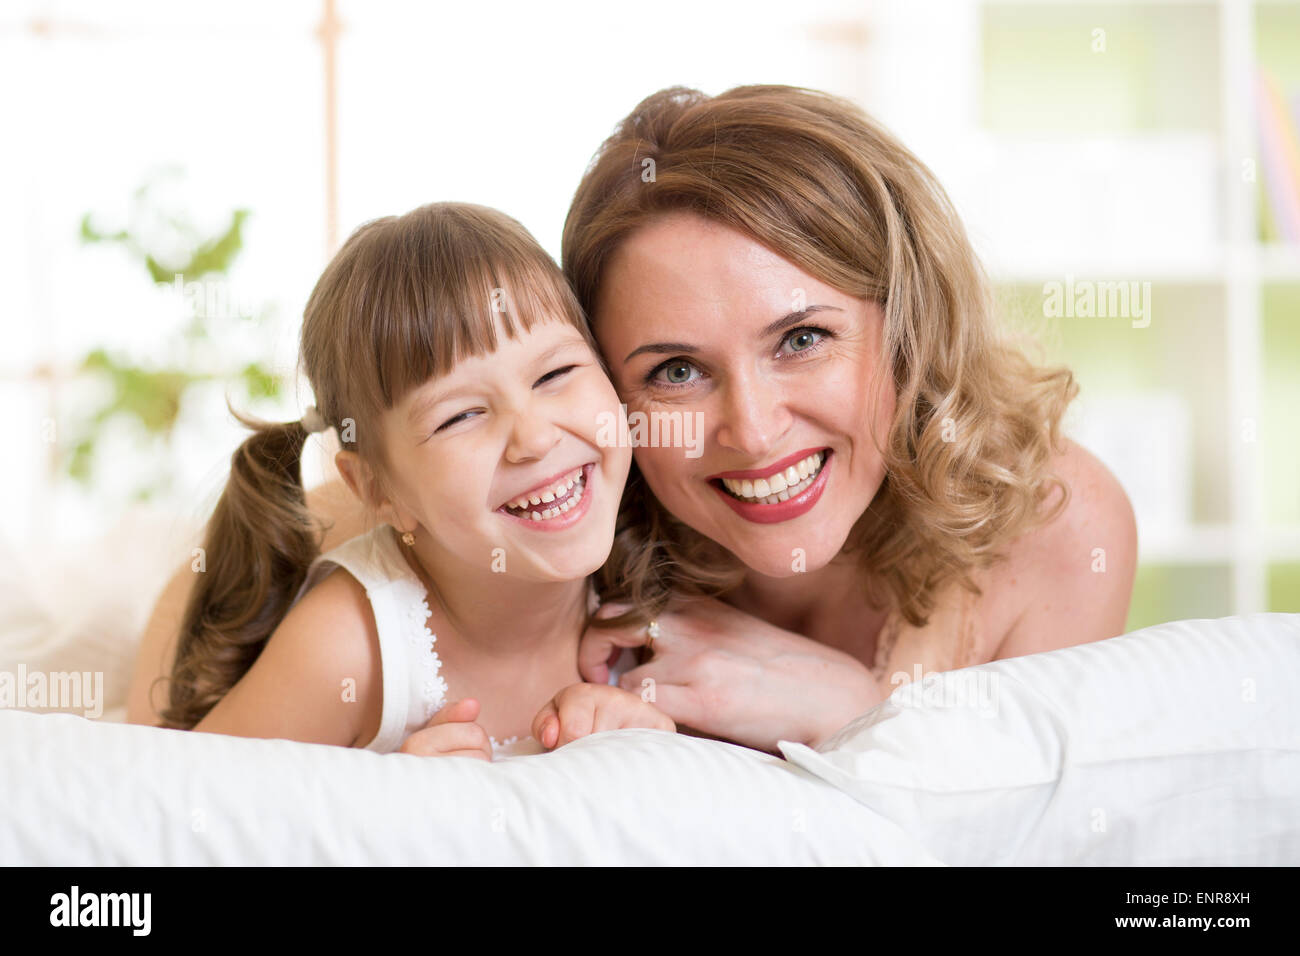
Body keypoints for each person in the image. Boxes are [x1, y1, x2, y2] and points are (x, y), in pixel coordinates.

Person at [132, 86, 1136, 757]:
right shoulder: (561, 504)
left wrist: (850, 709)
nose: (751, 429)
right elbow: (216, 603)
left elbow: (1030, 834)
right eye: (675, 370)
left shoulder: (1051, 528)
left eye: (800, 339)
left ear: (910, 323)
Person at [150, 202, 672, 758]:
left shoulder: (659, 575)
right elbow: (181, 812)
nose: (536, 439)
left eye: (555, 373)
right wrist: (384, 810)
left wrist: (653, 747)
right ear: (378, 490)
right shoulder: (350, 648)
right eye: (460, 416)